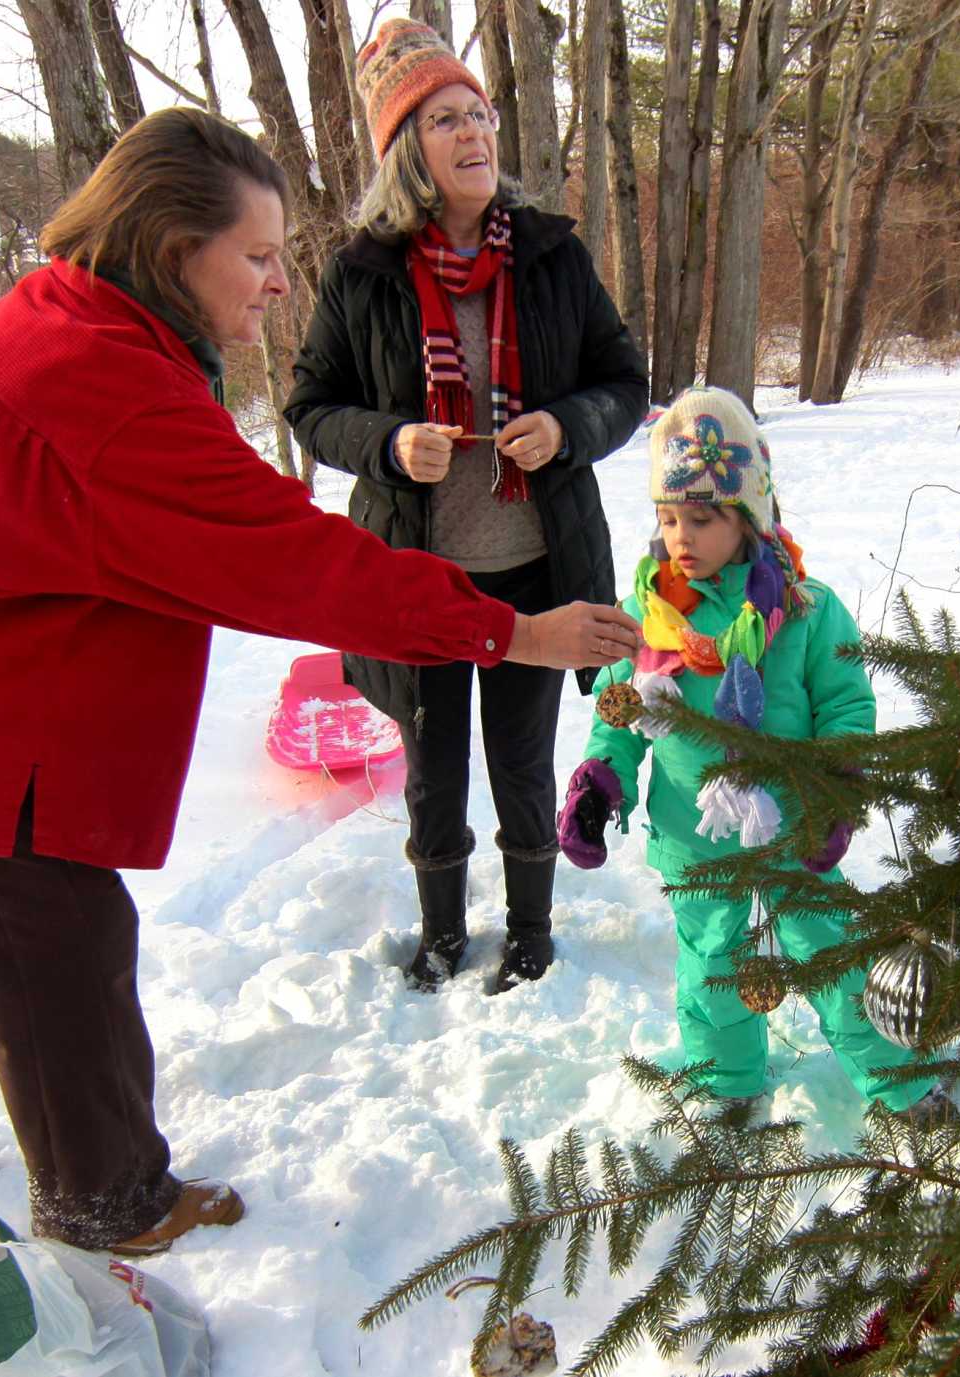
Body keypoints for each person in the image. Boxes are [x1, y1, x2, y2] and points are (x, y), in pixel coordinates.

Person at [0, 108, 641, 1255]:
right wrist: (514, 636)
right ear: (176, 251)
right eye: (259, 255)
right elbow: (297, 562)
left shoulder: (73, 321)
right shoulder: (101, 381)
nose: (280, 283)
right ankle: (108, 1200)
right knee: (55, 947)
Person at [286, 18, 648, 995]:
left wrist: (567, 426)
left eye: (478, 112)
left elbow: (624, 382)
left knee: (524, 768)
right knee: (433, 773)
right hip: (417, 579)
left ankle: (530, 933)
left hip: (538, 571)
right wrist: (389, 443)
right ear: (409, 150)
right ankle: (441, 934)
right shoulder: (361, 275)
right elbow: (311, 408)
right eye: (445, 118)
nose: (473, 130)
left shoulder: (551, 259)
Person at [557, 387, 944, 1115]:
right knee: (712, 961)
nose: (680, 535)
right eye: (668, 517)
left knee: (831, 950)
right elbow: (619, 709)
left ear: (748, 517)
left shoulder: (803, 607)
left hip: (794, 825)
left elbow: (845, 705)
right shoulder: (645, 616)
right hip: (693, 835)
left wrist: (835, 788)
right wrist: (600, 781)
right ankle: (727, 1080)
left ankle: (897, 1082)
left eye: (701, 518)